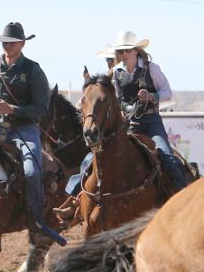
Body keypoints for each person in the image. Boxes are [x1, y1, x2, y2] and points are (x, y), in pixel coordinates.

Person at [55, 31, 189, 221]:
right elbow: (115, 99)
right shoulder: (117, 72)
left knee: (167, 156)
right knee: (90, 159)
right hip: (128, 125)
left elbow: (168, 92)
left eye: (127, 50)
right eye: (121, 51)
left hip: (151, 123)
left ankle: (181, 203)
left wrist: (152, 97)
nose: (124, 54)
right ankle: (76, 201)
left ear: (136, 51)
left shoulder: (152, 69)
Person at [0, 22, 66, 246]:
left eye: (12, 42)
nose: (8, 46)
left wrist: (13, 110)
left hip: (24, 129)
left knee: (32, 170)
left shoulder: (33, 70)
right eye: (5, 42)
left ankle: (35, 219)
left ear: (22, 44)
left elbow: (41, 108)